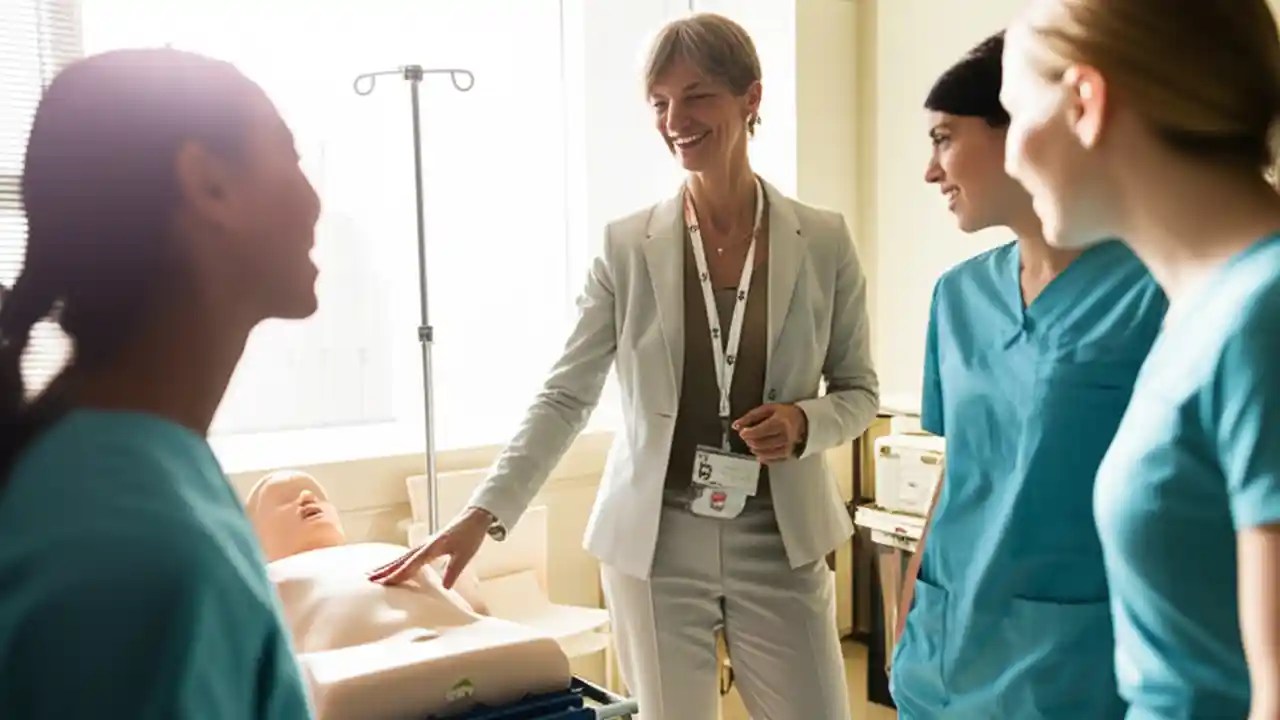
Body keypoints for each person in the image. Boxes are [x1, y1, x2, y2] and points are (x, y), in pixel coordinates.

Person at [368, 12, 878, 719]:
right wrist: (481, 515)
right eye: (660, 102)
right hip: (656, 544)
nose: (676, 119)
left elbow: (858, 391)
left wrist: (804, 421)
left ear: (750, 98)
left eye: (697, 95)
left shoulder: (822, 240)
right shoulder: (627, 246)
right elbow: (565, 396)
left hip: (779, 536)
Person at [0, 49, 318, 718]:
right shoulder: (137, 552)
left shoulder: (131, 462)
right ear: (208, 185)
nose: (313, 199)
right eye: (288, 155)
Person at [1001, 1, 1280, 717]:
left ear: (1085, 102)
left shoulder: (1263, 315)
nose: (1009, 158)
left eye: (1015, 113)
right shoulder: (1199, 313)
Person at [888, 32, 1167, 719]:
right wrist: (908, 619)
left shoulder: (1153, 289)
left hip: (1070, 662)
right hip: (943, 644)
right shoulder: (958, 297)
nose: (931, 170)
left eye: (946, 138)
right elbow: (959, 472)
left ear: (1019, 127)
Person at [245, 470, 571, 720]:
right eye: (284, 498)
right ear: (252, 537)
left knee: (541, 653)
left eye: (316, 493)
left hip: (468, 643)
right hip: (354, 667)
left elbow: (477, 608)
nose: (305, 496)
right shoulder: (269, 578)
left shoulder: (393, 552)